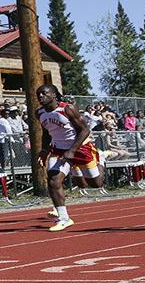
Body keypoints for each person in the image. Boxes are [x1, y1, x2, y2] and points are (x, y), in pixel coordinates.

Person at [36, 84, 104, 231]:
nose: (40, 96)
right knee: (53, 179)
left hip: (80, 147)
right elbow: (47, 133)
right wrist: (44, 150)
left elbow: (85, 129)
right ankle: (64, 218)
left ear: (54, 95)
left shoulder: (67, 109)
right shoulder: (39, 112)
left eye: (44, 93)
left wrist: (73, 150)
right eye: (38, 94)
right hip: (59, 150)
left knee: (95, 184)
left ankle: (102, 158)